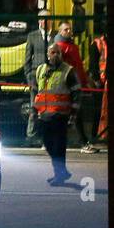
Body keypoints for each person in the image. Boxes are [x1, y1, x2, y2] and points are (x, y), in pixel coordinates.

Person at [33, 43, 79, 185]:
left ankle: (59, 174)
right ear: (48, 54)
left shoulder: (68, 71)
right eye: (53, 52)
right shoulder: (40, 69)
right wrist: (34, 111)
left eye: (58, 53)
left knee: (59, 146)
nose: (56, 55)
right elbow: (37, 92)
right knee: (48, 144)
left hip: (60, 116)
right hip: (44, 115)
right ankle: (61, 171)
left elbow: (77, 93)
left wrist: (74, 114)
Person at [54, 21, 95, 153]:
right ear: (60, 32)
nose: (69, 31)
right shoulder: (60, 47)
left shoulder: (71, 46)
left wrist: (84, 81)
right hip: (69, 86)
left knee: (72, 115)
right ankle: (83, 143)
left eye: (70, 29)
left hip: (74, 85)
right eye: (66, 29)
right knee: (75, 114)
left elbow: (78, 66)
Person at [22, 11, 54, 145]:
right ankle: (31, 135)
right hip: (36, 77)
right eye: (42, 19)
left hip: (53, 77)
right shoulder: (32, 36)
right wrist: (29, 76)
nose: (44, 22)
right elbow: (27, 59)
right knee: (34, 106)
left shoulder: (56, 35)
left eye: (47, 19)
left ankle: (49, 135)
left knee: (52, 107)